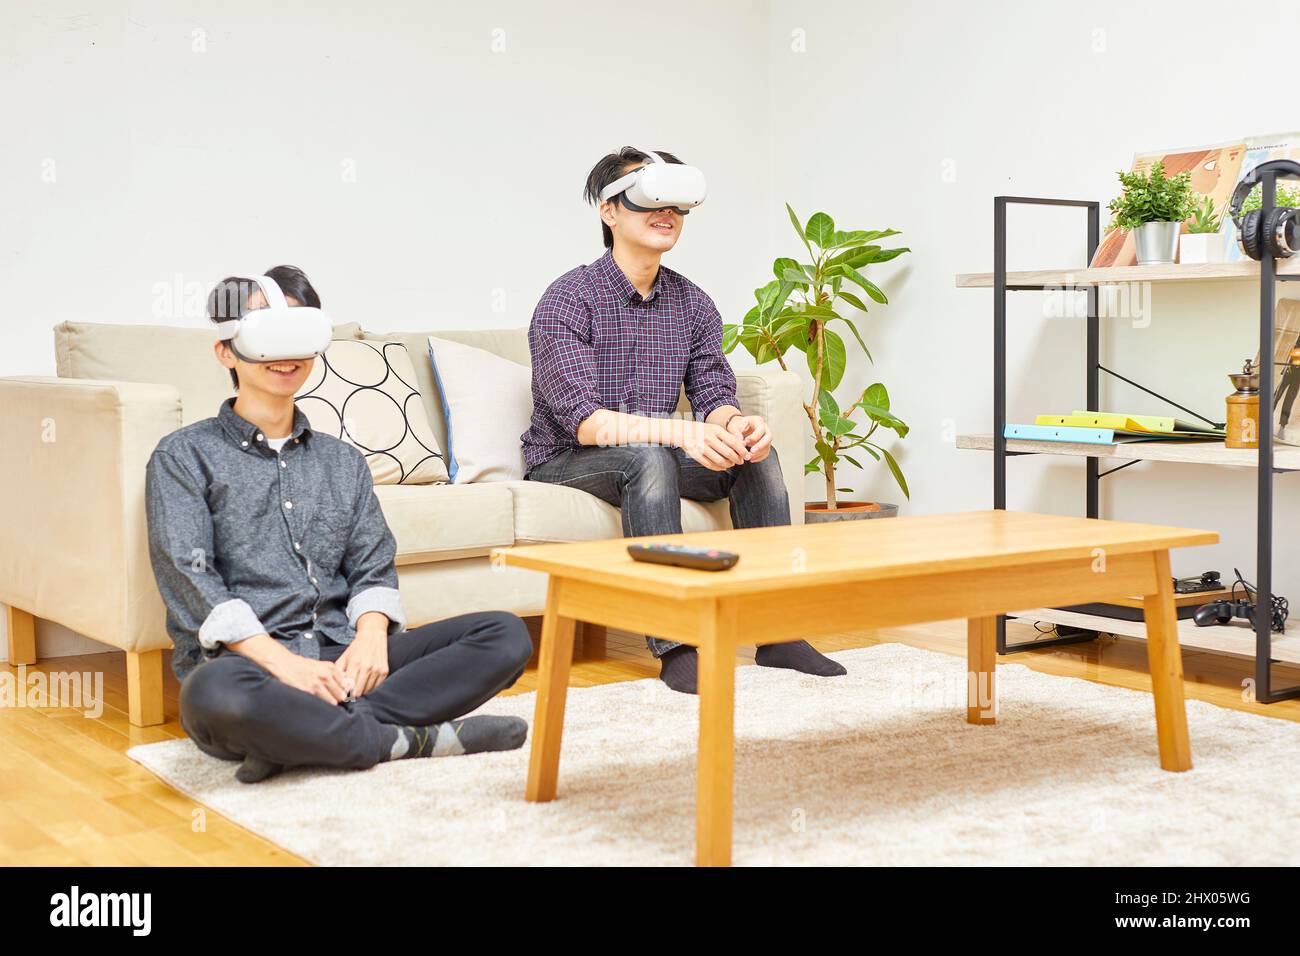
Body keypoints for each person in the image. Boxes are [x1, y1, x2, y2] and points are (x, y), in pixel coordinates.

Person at [146, 265, 532, 783]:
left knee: (504, 634)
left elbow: (372, 563)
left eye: (297, 335)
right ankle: (406, 740)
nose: (284, 355)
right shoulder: (184, 455)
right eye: (265, 333)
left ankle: (306, 740)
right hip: (252, 667)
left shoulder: (342, 462)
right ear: (225, 351)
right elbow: (190, 578)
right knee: (215, 699)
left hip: (342, 657)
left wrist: (372, 637)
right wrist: (286, 666)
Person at [522, 147, 847, 694]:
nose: (665, 213)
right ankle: (678, 644)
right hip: (567, 461)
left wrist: (737, 426)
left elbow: (713, 395)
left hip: (655, 454)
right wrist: (681, 432)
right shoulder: (568, 299)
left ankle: (778, 632)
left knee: (755, 460)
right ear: (609, 212)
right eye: (648, 199)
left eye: (676, 204)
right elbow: (586, 425)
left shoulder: (692, 302)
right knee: (649, 458)